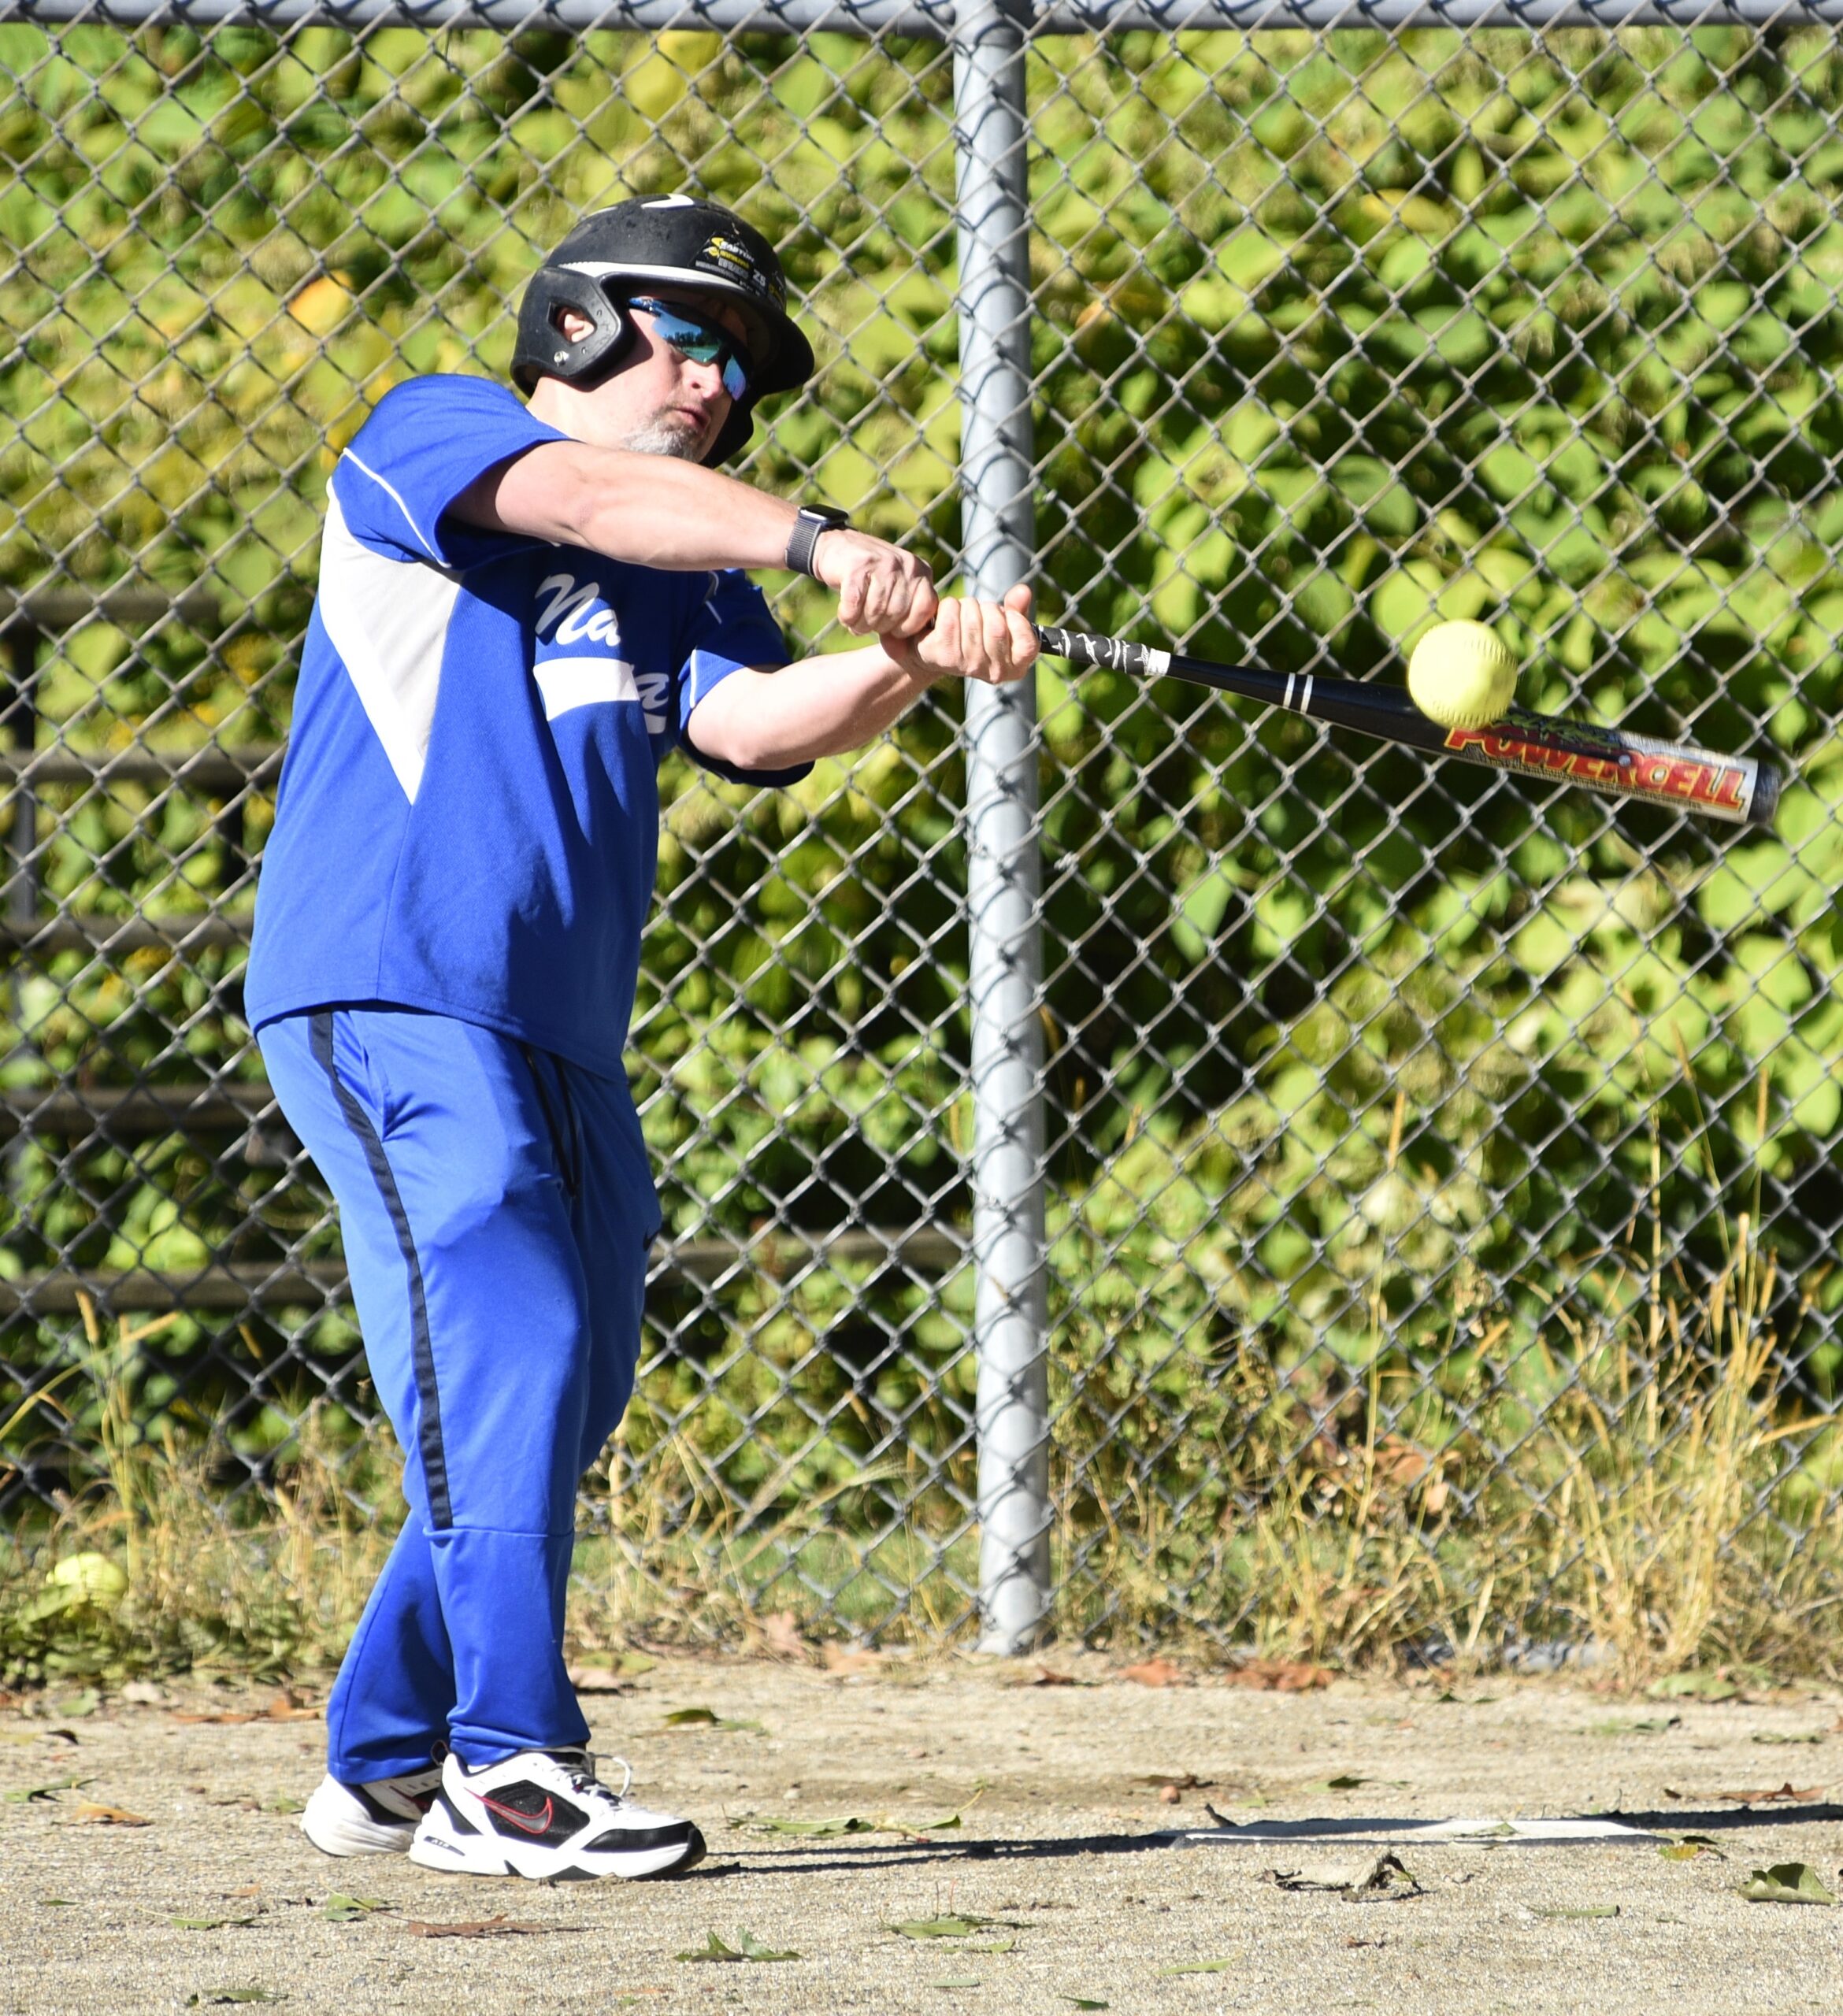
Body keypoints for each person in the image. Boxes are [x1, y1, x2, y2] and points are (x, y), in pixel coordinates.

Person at [243, 193, 1036, 1883]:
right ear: (582, 324)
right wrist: (820, 541)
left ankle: (383, 1758)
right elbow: (590, 496)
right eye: (692, 337)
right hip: (392, 981)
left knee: (564, 1382)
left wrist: (908, 660)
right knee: (511, 1323)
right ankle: (509, 1767)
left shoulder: (682, 570)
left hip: (561, 1027)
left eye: (740, 367)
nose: (716, 382)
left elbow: (755, 723)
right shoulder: (438, 431)